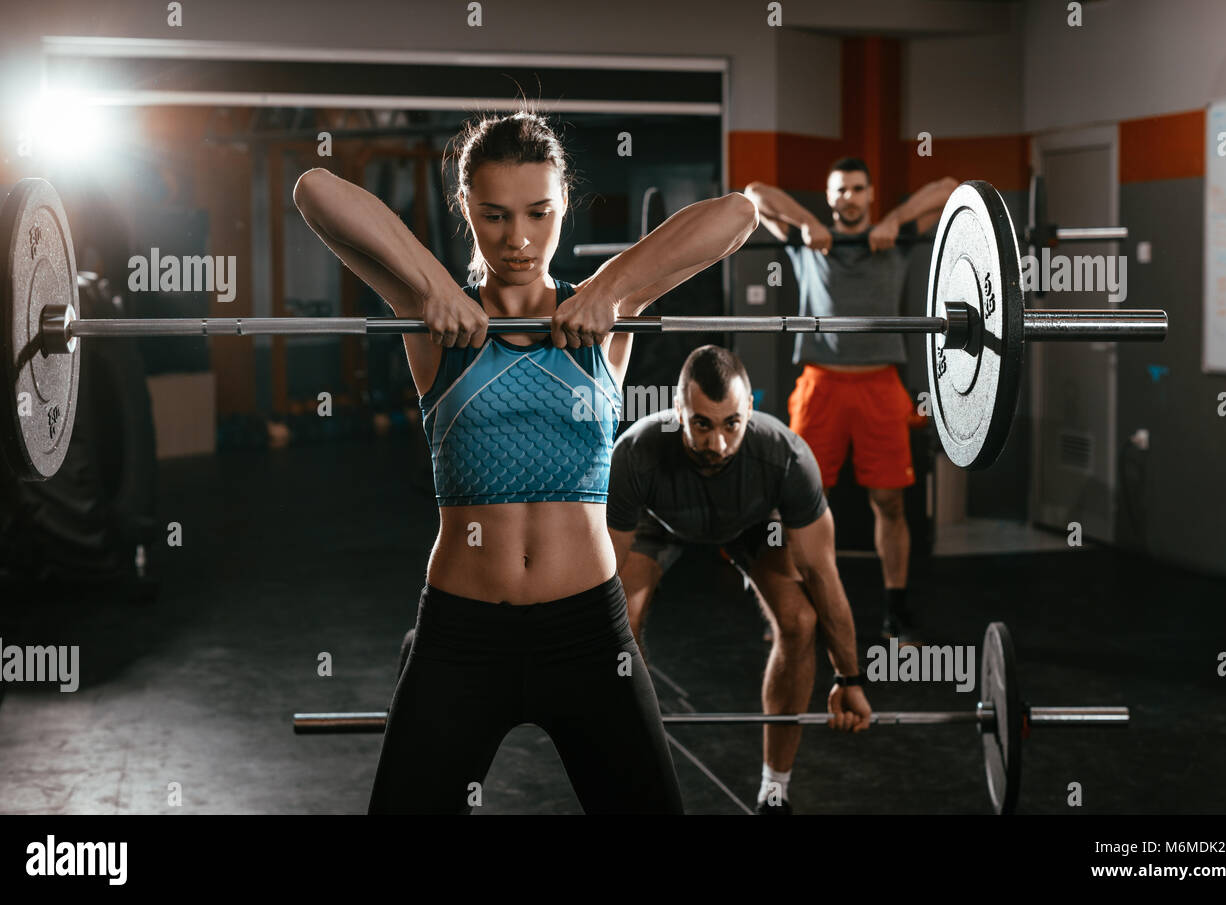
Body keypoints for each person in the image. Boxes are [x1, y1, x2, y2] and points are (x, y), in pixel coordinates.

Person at [293, 110, 758, 813]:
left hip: (589, 637)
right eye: (495, 215)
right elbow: (313, 191)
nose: (519, 238)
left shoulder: (606, 316)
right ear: (467, 211)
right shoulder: (430, 318)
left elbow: (739, 214)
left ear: (564, 204)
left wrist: (610, 284)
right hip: (461, 637)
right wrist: (435, 284)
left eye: (539, 212)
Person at [608, 345, 872, 815]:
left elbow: (822, 575)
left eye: (732, 423)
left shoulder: (786, 457)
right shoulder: (635, 454)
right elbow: (602, 576)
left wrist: (848, 676)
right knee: (620, 624)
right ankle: (636, 770)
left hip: (753, 524)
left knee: (798, 621)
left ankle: (775, 789)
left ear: (750, 408)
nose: (718, 444)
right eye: (702, 425)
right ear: (678, 412)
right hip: (659, 523)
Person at [744, 161, 956, 644]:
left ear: (870, 193)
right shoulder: (806, 244)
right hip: (822, 387)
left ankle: (895, 611)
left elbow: (949, 187)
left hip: (881, 386)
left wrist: (897, 219)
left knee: (890, 503)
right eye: (840, 190)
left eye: (858, 189)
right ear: (829, 194)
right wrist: (807, 223)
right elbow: (755, 193)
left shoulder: (897, 239)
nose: (850, 198)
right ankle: (797, 607)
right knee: (798, 501)